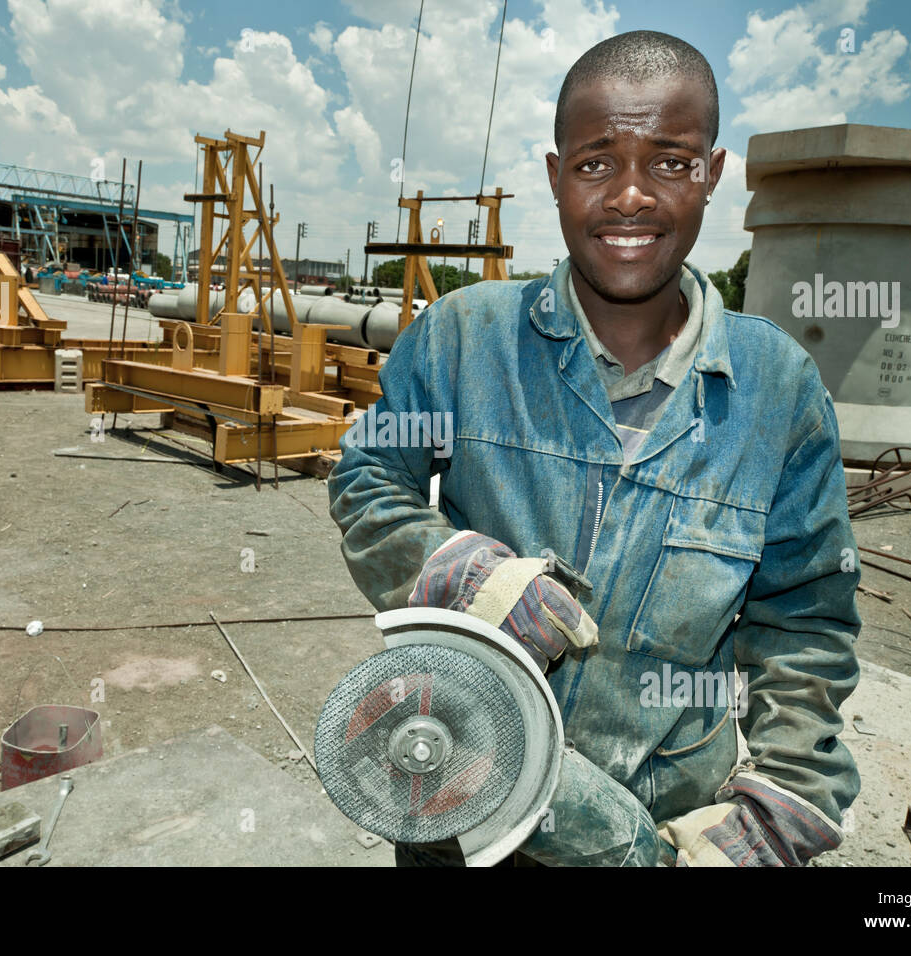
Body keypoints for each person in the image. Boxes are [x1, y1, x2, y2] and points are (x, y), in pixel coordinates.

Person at [327, 30, 860, 867]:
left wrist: (781, 802)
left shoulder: (778, 391)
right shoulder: (463, 340)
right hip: (463, 786)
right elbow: (367, 476)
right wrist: (466, 571)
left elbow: (804, 620)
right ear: (554, 175)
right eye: (596, 163)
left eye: (672, 162)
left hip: (653, 830)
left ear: (712, 176)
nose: (631, 197)